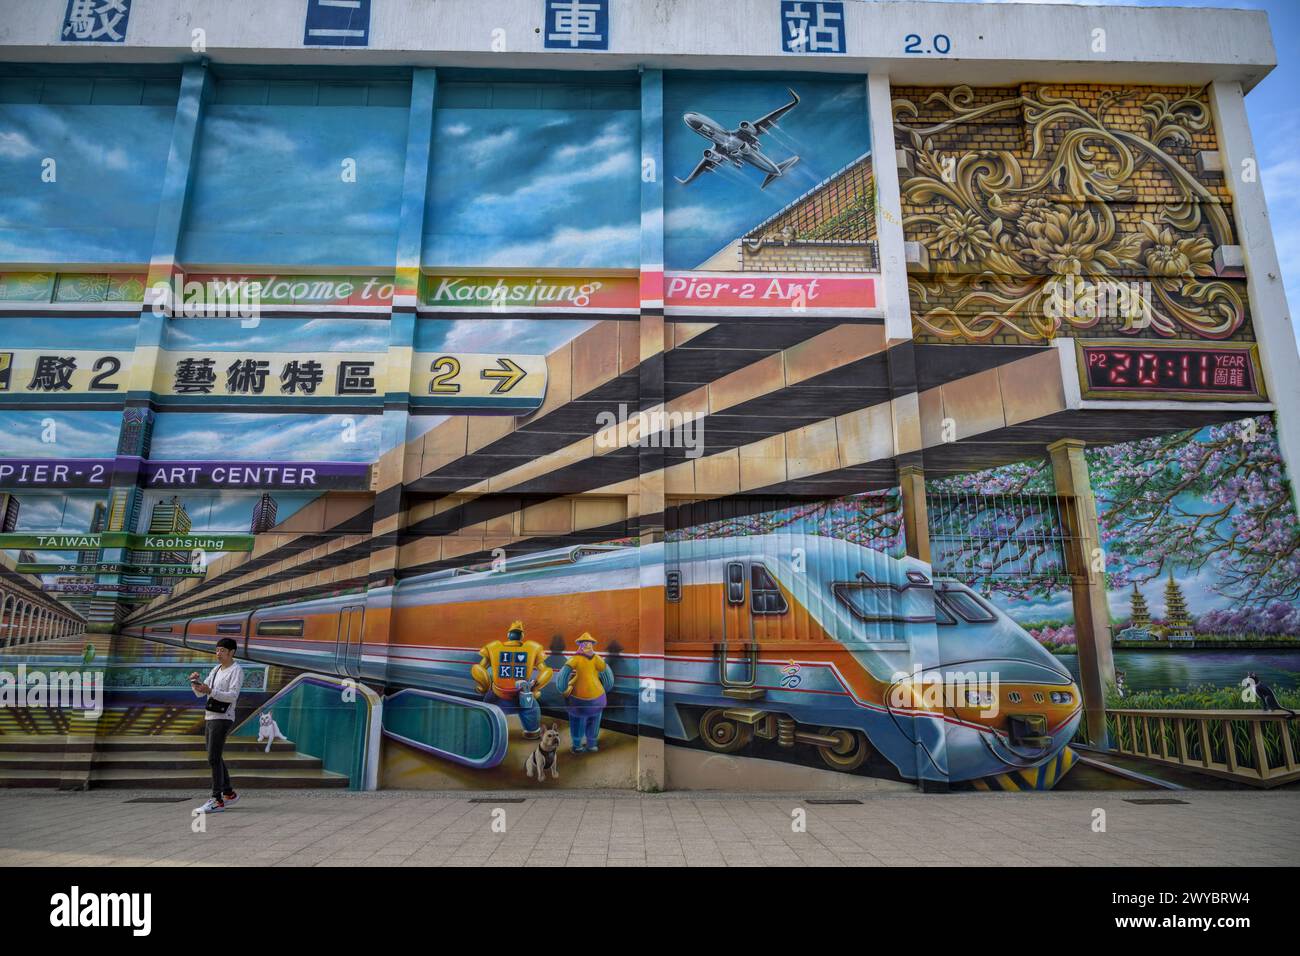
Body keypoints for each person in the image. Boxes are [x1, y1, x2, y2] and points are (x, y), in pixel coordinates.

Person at [470, 620, 552, 739]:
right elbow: (546, 671)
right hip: (524, 698)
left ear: (508, 635)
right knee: (532, 711)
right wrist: (535, 689)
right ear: (521, 636)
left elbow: (478, 668)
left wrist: (484, 687)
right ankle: (532, 731)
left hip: (496, 698)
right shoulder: (533, 648)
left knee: (488, 713)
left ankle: (488, 730)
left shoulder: (493, 647)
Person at [190, 638, 243, 813]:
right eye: (217, 650)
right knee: (215, 756)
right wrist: (196, 683)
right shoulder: (215, 670)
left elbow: (232, 696)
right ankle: (229, 793)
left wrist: (210, 691)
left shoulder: (236, 670)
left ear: (231, 652)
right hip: (210, 716)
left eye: (222, 650)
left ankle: (216, 799)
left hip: (223, 717)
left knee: (213, 757)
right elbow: (200, 694)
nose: (218, 653)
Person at [557, 633, 614, 753]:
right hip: (598, 698)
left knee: (577, 722)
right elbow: (608, 676)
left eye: (588, 643)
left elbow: (563, 675)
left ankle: (577, 745)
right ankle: (591, 744)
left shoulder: (575, 659)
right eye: (586, 643)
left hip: (578, 700)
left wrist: (563, 689)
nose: (587, 645)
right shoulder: (597, 658)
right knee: (594, 721)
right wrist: (606, 688)